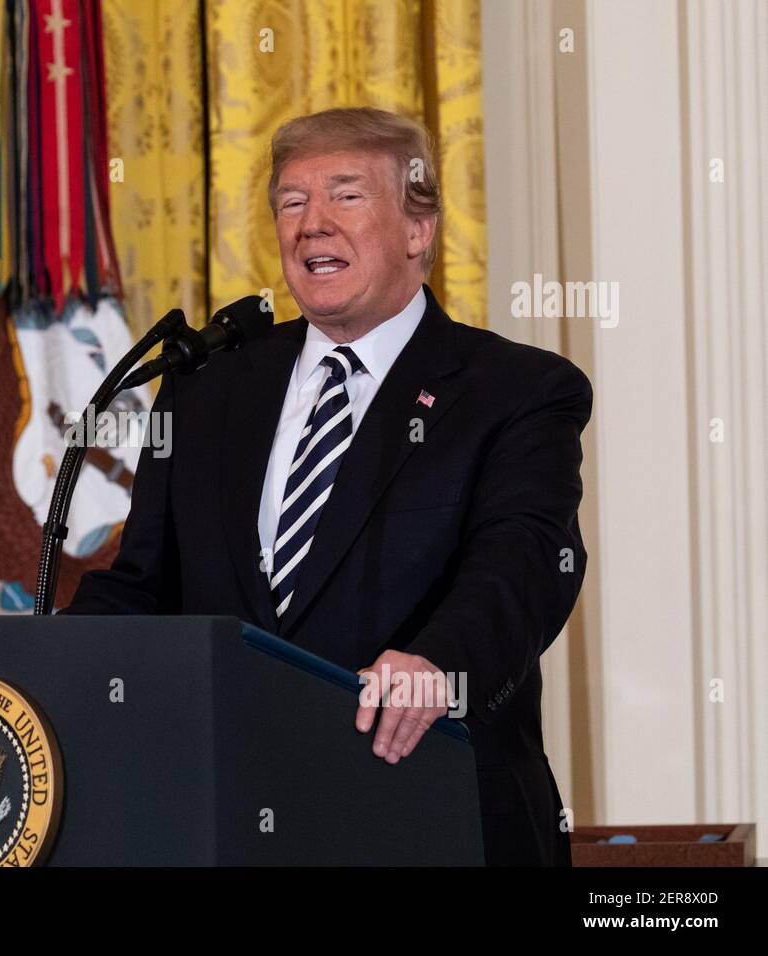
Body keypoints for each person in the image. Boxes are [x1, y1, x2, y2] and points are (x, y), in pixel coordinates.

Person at [63, 107, 592, 866]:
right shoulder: (205, 391)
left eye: (346, 196)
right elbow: (147, 584)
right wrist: (48, 656)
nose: (312, 225)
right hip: (232, 816)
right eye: (291, 202)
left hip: (424, 808)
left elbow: (525, 562)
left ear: (419, 229)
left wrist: (437, 664)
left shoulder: (516, 390)